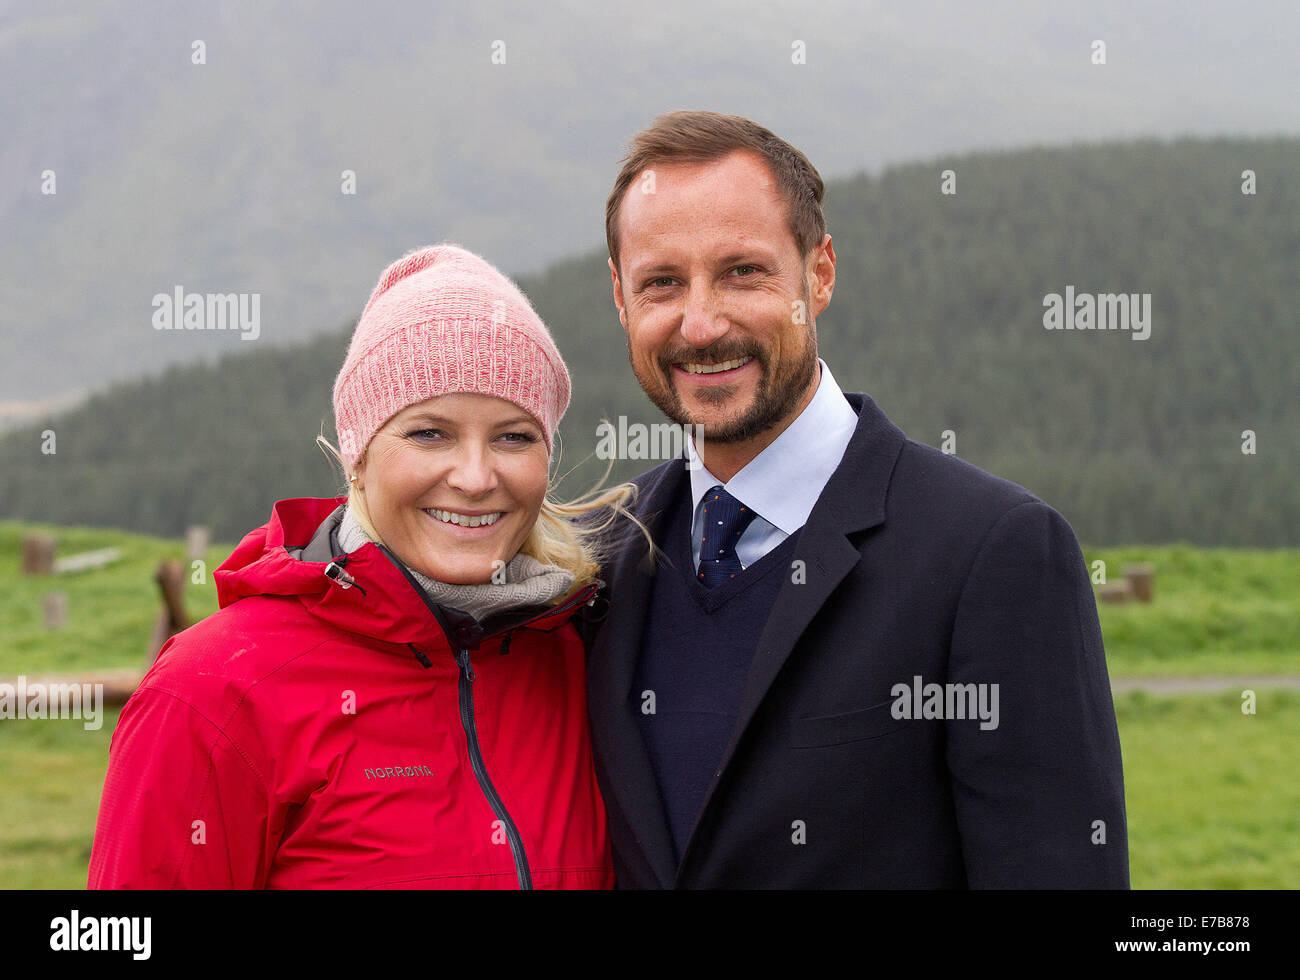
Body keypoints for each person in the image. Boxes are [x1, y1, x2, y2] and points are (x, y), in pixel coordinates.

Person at [582, 110, 1130, 888]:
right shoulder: (597, 557)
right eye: (662, 282)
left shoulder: (992, 553)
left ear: (821, 273)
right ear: (620, 298)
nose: (701, 324)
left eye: (743, 271)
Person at [89, 244, 635, 889]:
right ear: (358, 454)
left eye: (514, 436)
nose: (475, 476)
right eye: (429, 433)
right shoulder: (213, 693)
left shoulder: (584, 658)